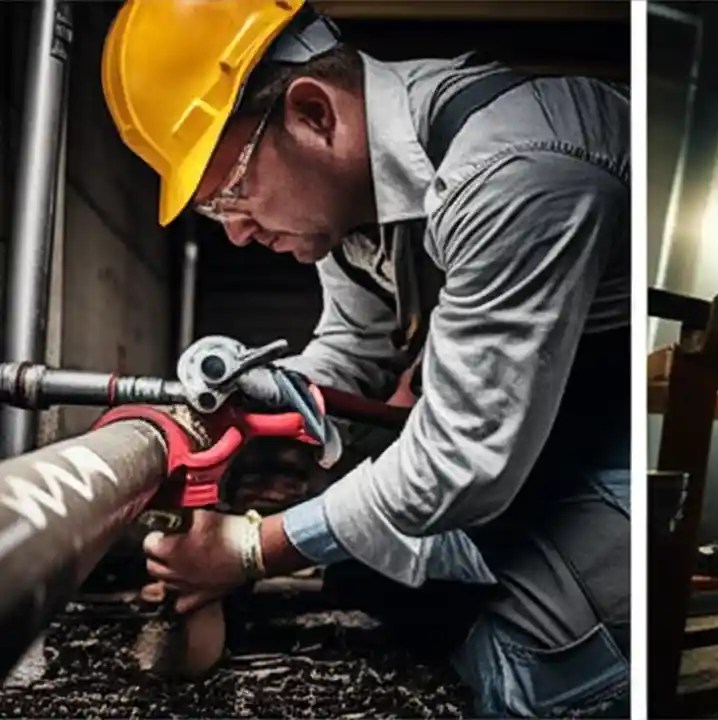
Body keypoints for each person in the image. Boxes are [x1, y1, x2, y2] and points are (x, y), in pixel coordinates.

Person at [100, 1, 631, 716]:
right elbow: (357, 348)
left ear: (314, 114)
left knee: (536, 680)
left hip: (616, 437)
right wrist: (260, 401)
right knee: (371, 570)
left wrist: (254, 549)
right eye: (213, 213)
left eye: (232, 194)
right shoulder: (352, 207)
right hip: (535, 434)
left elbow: (459, 464)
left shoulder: (515, 174)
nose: (235, 233)